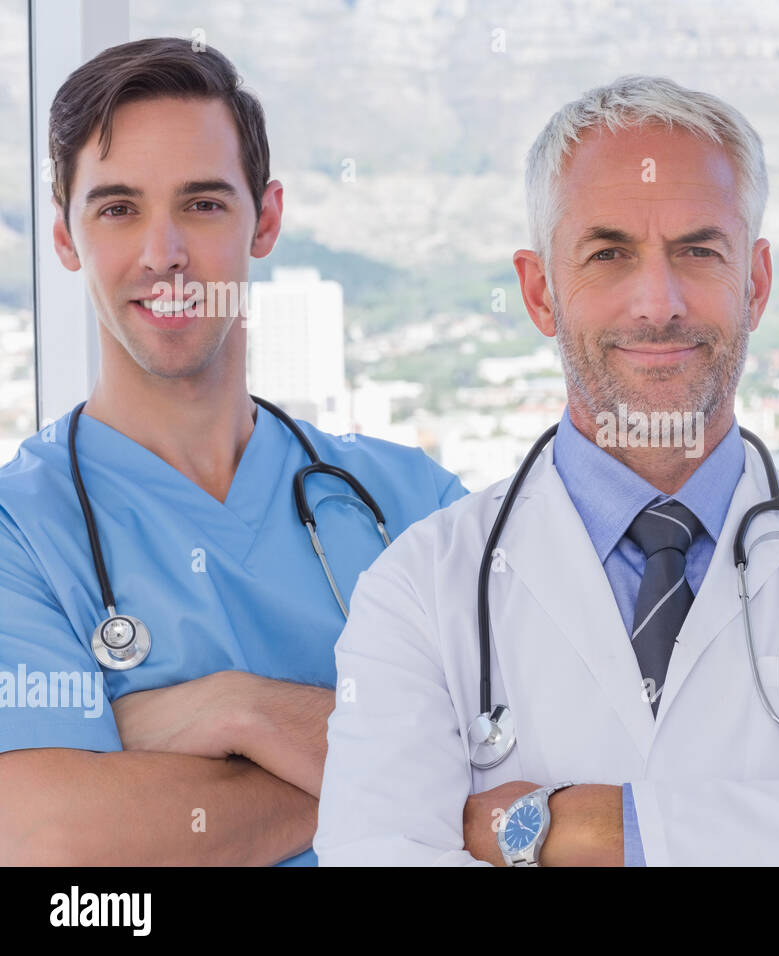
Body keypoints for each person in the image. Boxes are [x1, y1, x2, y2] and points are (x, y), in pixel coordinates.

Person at [313, 75, 779, 866]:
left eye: (698, 251)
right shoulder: (420, 590)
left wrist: (582, 830)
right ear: (539, 292)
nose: (657, 302)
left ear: (755, 283)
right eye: (608, 254)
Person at [0, 38, 467, 866]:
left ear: (268, 218)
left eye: (204, 204)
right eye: (117, 208)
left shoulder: (413, 504)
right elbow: (48, 837)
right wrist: (387, 773)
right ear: (65, 237)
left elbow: (514, 772)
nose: (163, 253)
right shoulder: (18, 532)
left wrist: (232, 709)